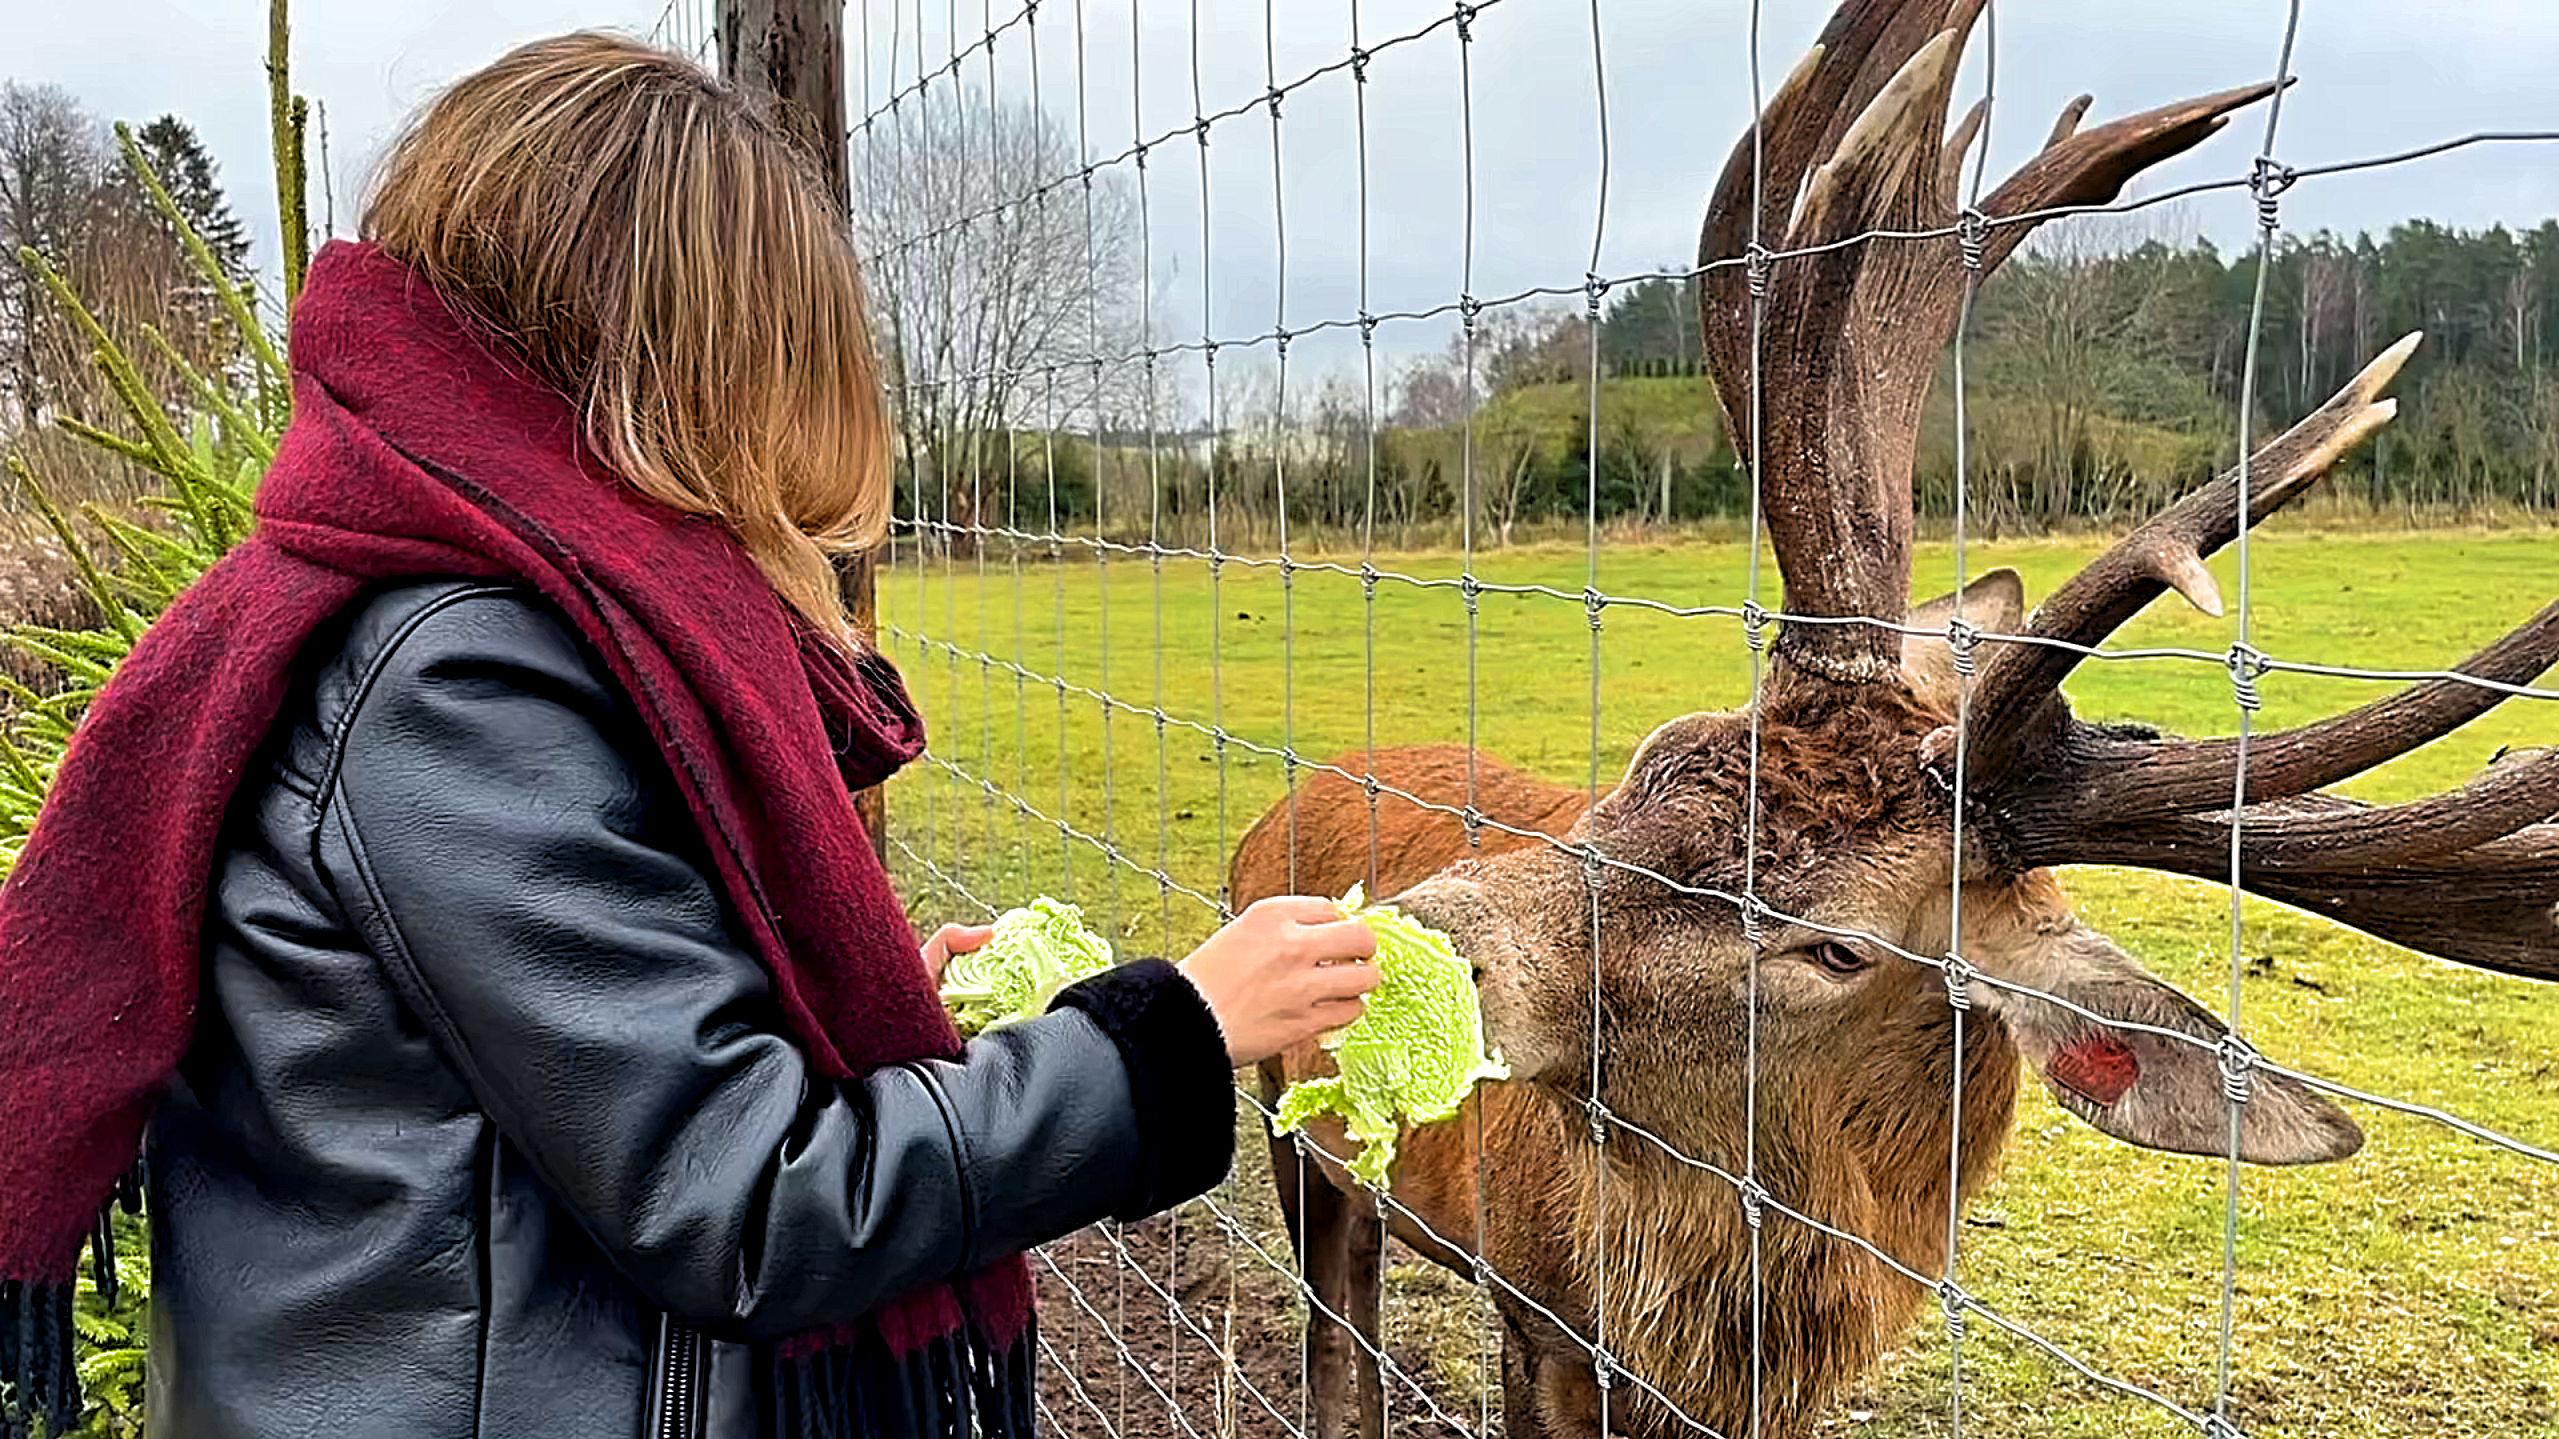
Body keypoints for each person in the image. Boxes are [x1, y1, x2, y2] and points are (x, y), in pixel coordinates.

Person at [0, 31, 1381, 1439]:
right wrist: (1171, 1035)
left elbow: (556, 1064)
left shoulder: (488, 614)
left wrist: (827, 1004)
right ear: (689, 376)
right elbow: (747, 1198)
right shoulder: (463, 682)